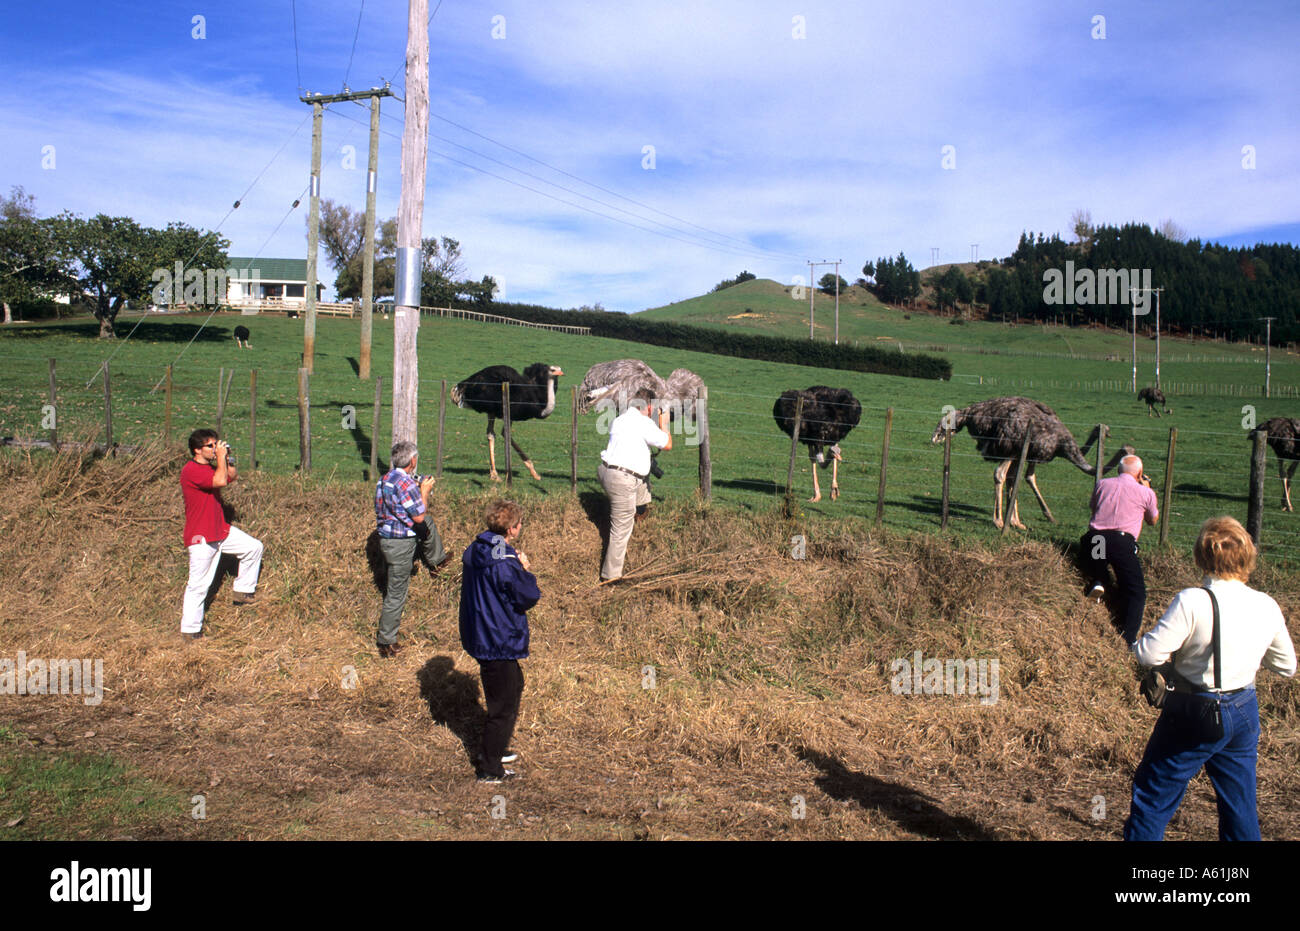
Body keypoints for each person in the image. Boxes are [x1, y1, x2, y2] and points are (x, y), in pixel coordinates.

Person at [1124, 516, 1296, 840]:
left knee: (1153, 797)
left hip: (1193, 709)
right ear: (1248, 556)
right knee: (1240, 806)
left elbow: (1147, 654)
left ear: (1202, 555)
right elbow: (1287, 666)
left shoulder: (1193, 600)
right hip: (1244, 709)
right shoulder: (1267, 605)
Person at [460, 500, 541, 783]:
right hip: (499, 637)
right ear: (512, 528)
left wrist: (511, 560)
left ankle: (497, 746)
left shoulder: (476, 549)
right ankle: (490, 767)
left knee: (513, 686)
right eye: (519, 524)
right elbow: (528, 596)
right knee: (503, 706)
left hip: (480, 631)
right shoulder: (505, 562)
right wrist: (524, 569)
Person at [180, 428, 264, 640]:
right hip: (201, 537)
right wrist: (220, 459)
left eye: (216, 444)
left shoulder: (210, 467)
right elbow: (219, 481)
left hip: (220, 530)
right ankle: (190, 631)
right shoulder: (191, 471)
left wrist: (228, 459)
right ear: (197, 450)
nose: (215, 448)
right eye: (210, 445)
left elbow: (231, 477)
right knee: (198, 585)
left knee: (253, 547)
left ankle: (243, 591)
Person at [374, 441, 447, 658]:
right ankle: (386, 641)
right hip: (400, 545)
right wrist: (424, 491)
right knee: (396, 593)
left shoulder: (385, 479)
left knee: (428, 525)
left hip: (386, 539)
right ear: (413, 461)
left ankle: (437, 561)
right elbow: (419, 516)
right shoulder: (406, 485)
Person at [1080, 454, 1159, 644]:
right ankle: (1127, 639)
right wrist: (1146, 489)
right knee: (1136, 591)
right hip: (1121, 543)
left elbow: (1094, 508)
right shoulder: (1145, 493)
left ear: (1118, 470)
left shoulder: (1102, 484)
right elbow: (1152, 520)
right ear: (1139, 473)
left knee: (1099, 560)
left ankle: (1099, 580)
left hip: (1095, 539)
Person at [597, 389, 672, 582]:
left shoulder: (620, 419)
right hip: (622, 480)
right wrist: (664, 423)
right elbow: (667, 444)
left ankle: (641, 508)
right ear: (648, 406)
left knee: (643, 473)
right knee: (621, 528)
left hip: (605, 471)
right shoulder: (645, 423)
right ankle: (611, 577)